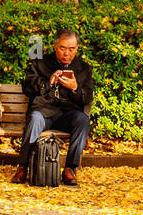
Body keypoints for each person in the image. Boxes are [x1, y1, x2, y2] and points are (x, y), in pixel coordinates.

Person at [12, 30, 93, 187]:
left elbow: (88, 98)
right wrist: (47, 83)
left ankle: (70, 168)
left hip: (68, 115)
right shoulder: (40, 63)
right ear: (55, 46)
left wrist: (75, 87)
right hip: (44, 112)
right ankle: (23, 167)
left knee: (83, 120)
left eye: (71, 49)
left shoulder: (84, 68)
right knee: (35, 118)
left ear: (77, 48)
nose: (67, 53)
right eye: (63, 48)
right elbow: (27, 88)